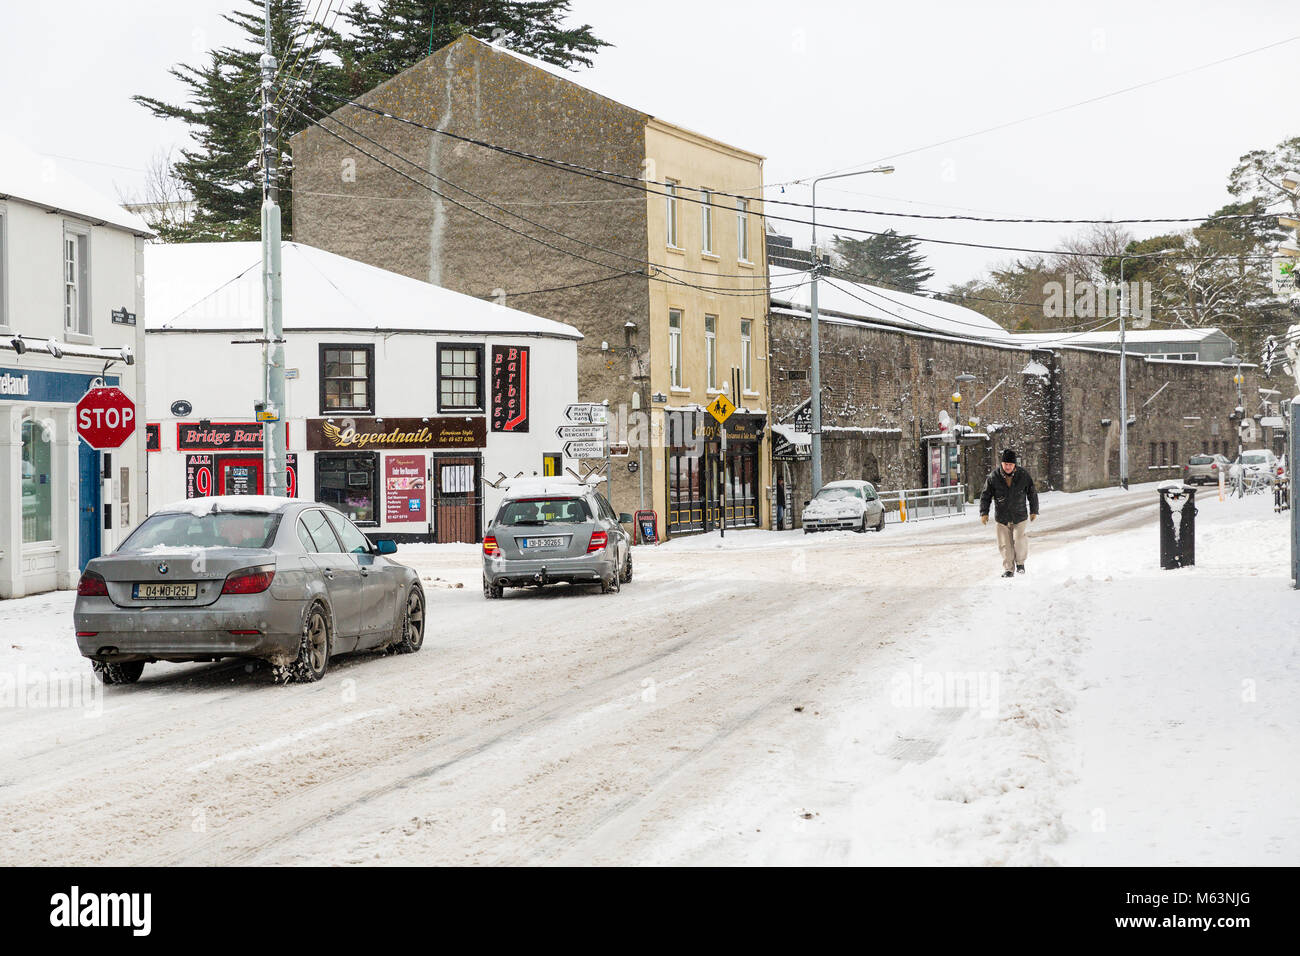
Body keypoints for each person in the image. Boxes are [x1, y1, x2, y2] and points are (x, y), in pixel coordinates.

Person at [979, 449, 1039, 578]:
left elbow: (1032, 493)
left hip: (1020, 515)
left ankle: (1020, 563)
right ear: (1002, 463)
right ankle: (1008, 569)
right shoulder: (993, 477)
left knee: (1019, 539)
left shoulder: (1023, 475)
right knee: (1005, 544)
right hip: (1002, 517)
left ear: (1014, 465)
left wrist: (1034, 510)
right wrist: (984, 512)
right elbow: (986, 495)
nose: (1008, 467)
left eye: (1010, 464)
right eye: (1005, 464)